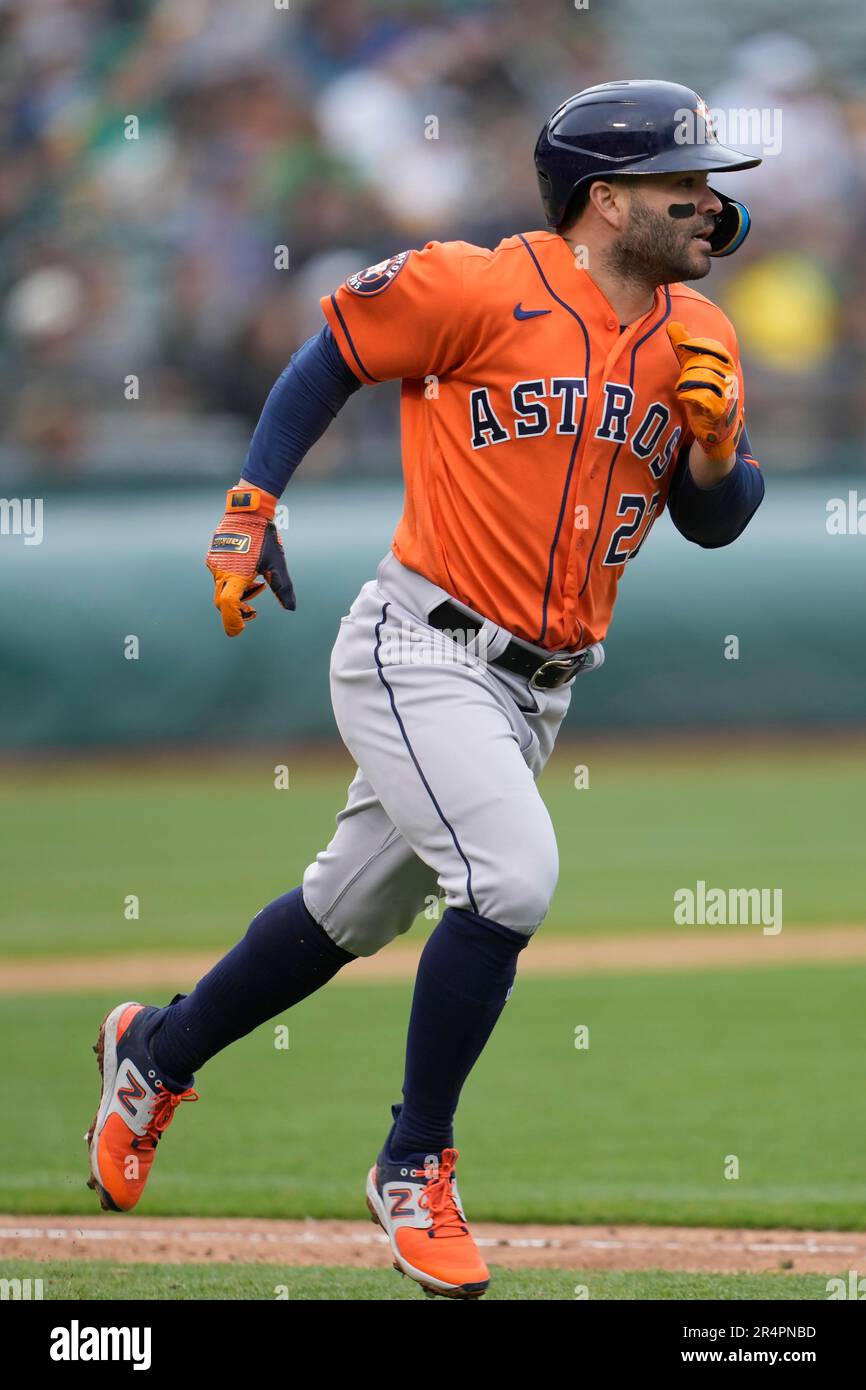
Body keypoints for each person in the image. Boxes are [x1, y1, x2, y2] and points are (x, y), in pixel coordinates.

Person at [86, 80, 765, 1301]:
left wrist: (715, 456)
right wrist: (250, 505)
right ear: (606, 202)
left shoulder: (698, 338)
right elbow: (329, 355)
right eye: (685, 179)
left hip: (539, 689)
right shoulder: (475, 284)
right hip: (423, 644)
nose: (708, 203)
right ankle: (414, 1164)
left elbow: (713, 523)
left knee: (344, 913)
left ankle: (154, 1051)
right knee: (509, 878)